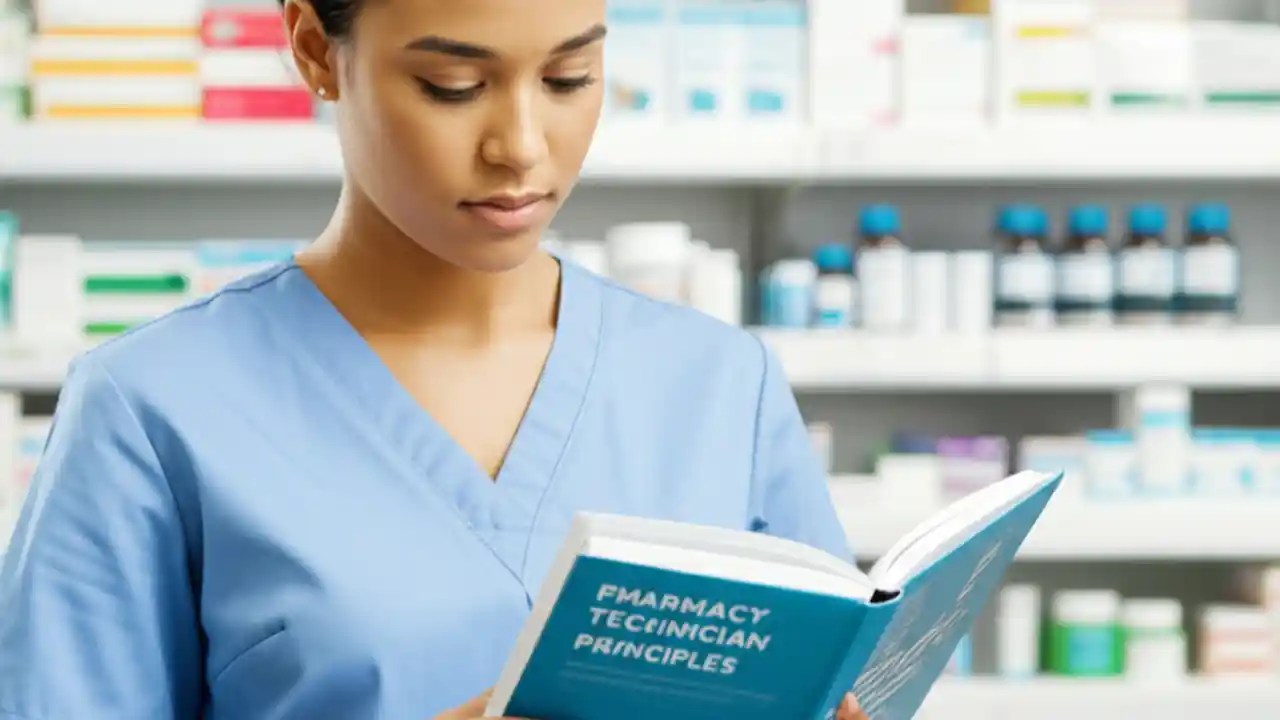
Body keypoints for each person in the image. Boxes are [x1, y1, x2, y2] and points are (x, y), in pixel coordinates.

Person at [0, 1, 869, 718]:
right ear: (315, 49)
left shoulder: (720, 387)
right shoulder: (151, 409)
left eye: (569, 78)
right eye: (453, 86)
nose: (521, 146)